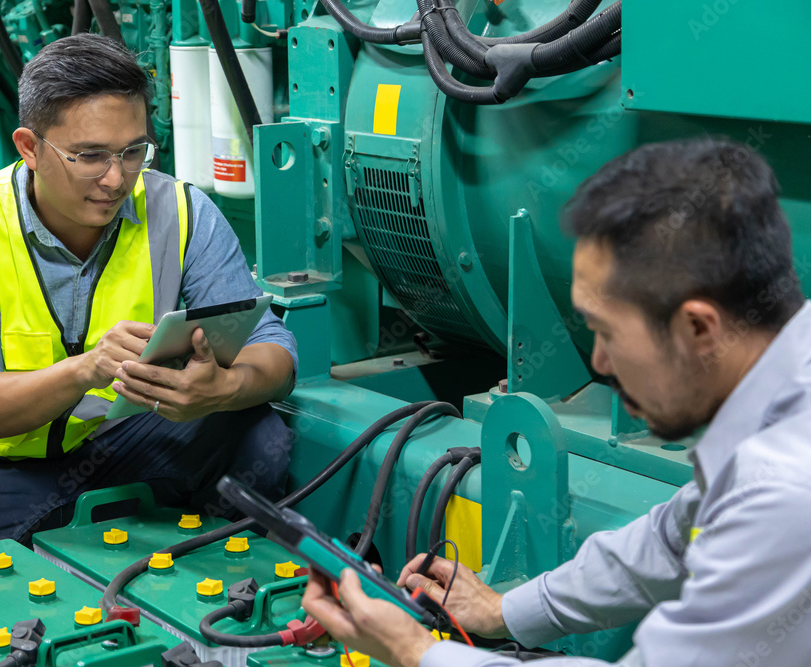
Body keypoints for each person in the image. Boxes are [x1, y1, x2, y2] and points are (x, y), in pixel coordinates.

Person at [302, 138, 811, 666]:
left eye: (607, 332)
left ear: (698, 328)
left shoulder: (786, 490)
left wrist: (415, 653)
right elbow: (669, 540)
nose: (600, 363)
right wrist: (504, 610)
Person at [0, 34, 297, 568]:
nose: (115, 179)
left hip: (127, 448)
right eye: (89, 156)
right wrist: (85, 370)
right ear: (29, 147)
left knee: (259, 435)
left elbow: (272, 348)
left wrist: (224, 388)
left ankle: (211, 592)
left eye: (132, 151)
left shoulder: (181, 211)